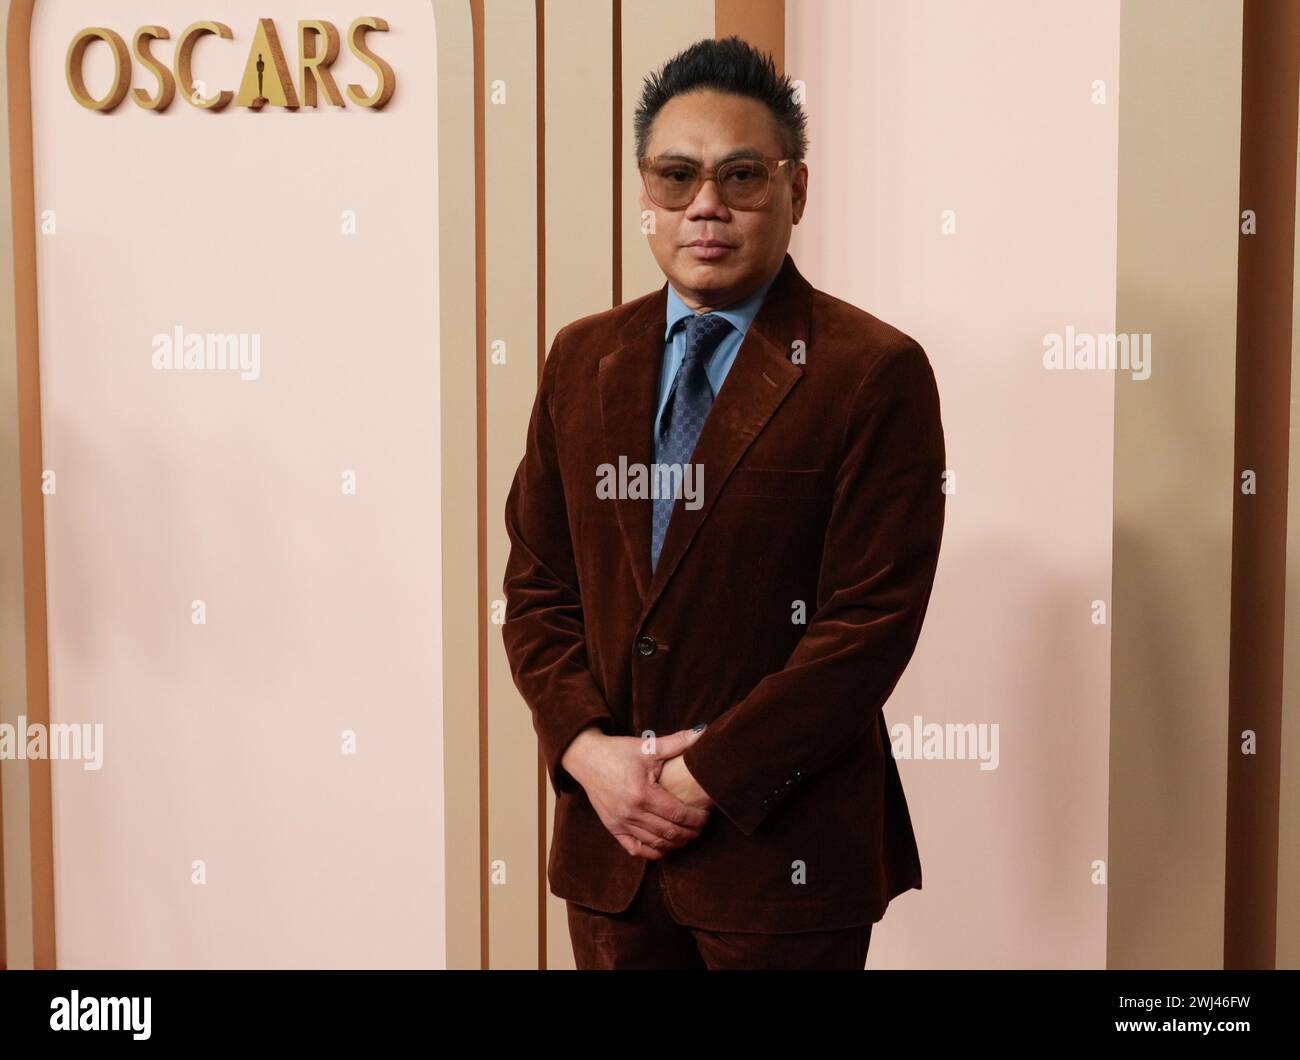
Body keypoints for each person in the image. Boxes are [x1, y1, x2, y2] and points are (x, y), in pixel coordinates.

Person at [502, 35, 946, 970]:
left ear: (797, 191)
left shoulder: (871, 372)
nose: (707, 204)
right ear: (645, 193)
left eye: (743, 175)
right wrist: (587, 753)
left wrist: (700, 778)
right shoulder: (583, 359)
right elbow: (537, 586)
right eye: (677, 176)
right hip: (611, 856)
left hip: (782, 856)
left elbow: (867, 626)